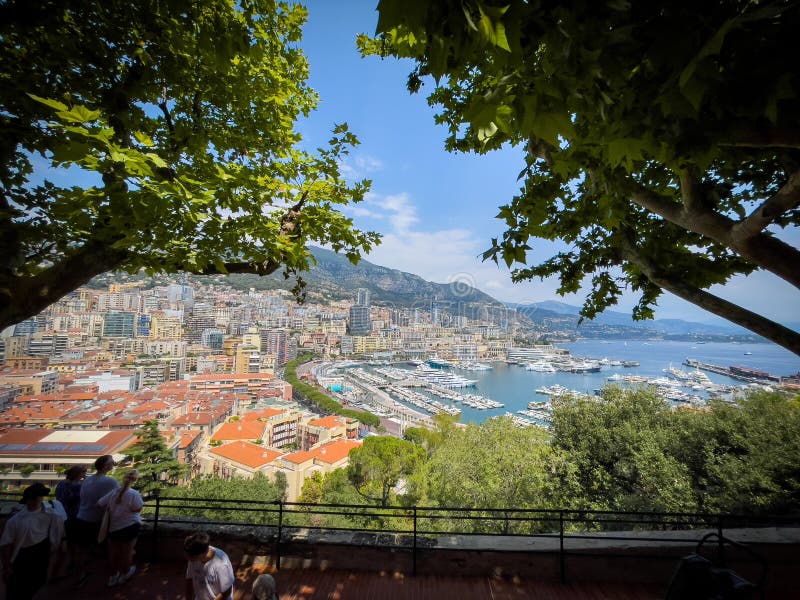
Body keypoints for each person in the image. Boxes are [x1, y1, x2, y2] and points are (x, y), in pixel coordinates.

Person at [0, 483, 66, 600]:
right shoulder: (15, 520)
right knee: (16, 588)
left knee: (36, 583)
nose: (37, 499)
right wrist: (6, 566)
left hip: (41, 553)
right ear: (27, 500)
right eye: (34, 496)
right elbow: (6, 545)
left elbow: (56, 538)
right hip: (22, 555)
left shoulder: (52, 515)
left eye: (39, 496)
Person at [74, 455, 118, 586]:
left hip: (82, 517)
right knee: (109, 548)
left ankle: (80, 575)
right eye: (112, 463)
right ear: (106, 466)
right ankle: (111, 575)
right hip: (98, 520)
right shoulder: (110, 482)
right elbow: (119, 498)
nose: (113, 465)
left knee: (82, 549)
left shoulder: (87, 480)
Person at [97, 469, 143, 587]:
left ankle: (113, 576)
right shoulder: (134, 494)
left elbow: (99, 504)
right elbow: (137, 509)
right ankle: (125, 574)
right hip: (130, 526)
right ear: (135, 480)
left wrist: (111, 510)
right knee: (127, 552)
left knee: (113, 553)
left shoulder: (113, 492)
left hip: (114, 527)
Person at [54, 465, 87, 575]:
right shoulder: (77, 485)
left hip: (63, 515)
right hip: (74, 516)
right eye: (83, 473)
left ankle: (69, 562)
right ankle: (75, 564)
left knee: (67, 541)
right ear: (78, 474)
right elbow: (77, 498)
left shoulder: (61, 484)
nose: (84, 475)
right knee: (75, 542)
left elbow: (58, 498)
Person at [184, 532, 235, 600]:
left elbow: (227, 591)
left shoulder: (221, 564)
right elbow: (189, 580)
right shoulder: (193, 557)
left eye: (189, 556)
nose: (187, 557)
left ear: (201, 555)